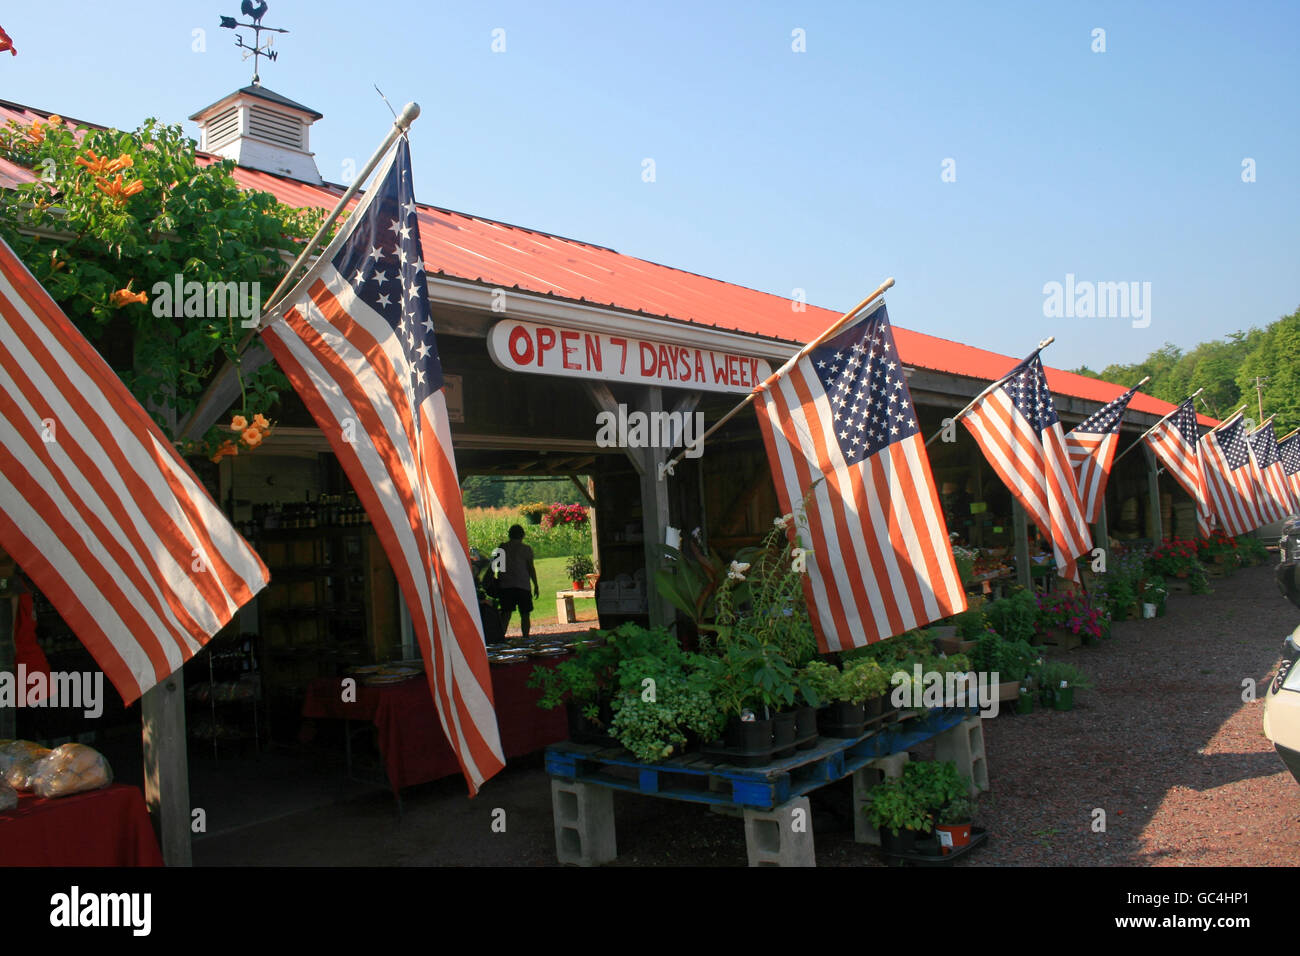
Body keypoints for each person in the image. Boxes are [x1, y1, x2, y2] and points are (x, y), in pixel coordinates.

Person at [497, 524, 539, 639]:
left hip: (506, 586)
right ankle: (525, 637)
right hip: (523, 585)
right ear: (522, 535)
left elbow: (497, 567)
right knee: (525, 614)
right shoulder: (526, 549)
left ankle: (500, 638)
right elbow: (531, 568)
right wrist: (535, 584)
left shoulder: (502, 548)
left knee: (505, 614)